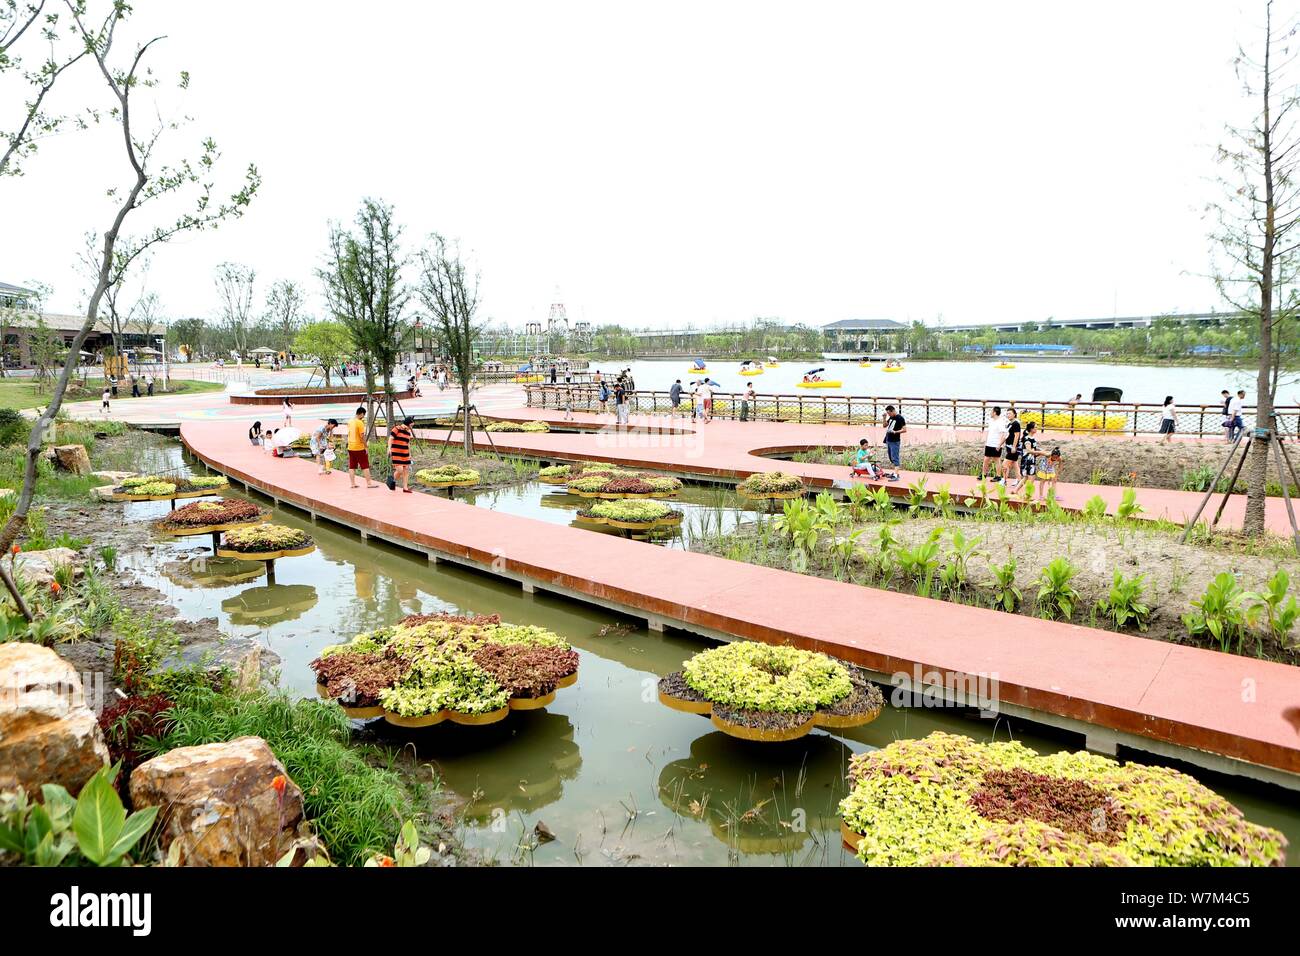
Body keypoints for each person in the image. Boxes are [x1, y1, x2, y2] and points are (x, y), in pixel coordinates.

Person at [347, 406, 376, 489]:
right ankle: (369, 483)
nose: (363, 417)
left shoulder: (350, 421)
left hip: (350, 447)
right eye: (363, 415)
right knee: (365, 465)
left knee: (352, 466)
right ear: (361, 413)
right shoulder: (359, 422)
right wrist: (366, 446)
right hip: (359, 447)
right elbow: (362, 436)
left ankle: (352, 484)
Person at [387, 415, 414, 492]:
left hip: (405, 453)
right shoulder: (397, 429)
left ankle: (405, 488)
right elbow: (391, 438)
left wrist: (409, 454)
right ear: (408, 423)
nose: (411, 427)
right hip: (396, 453)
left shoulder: (408, 432)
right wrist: (389, 448)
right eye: (411, 425)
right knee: (400, 470)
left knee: (406, 469)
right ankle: (393, 480)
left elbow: (408, 443)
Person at [981, 406, 1006, 482]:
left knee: (996, 460)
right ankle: (983, 474)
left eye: (991, 412)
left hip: (996, 444)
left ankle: (998, 476)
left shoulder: (1001, 422)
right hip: (989, 443)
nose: (990, 413)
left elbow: (1003, 433)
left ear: (994, 413)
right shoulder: (991, 421)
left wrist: (1000, 444)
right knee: (986, 459)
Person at [1000, 408, 1022, 483]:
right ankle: (1019, 480)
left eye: (1009, 413)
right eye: (1007, 414)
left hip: (1013, 448)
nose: (1008, 415)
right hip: (1009, 447)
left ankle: (1004, 480)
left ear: (1014, 414)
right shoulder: (1010, 424)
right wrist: (1000, 444)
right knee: (1015, 464)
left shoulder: (1016, 424)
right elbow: (1007, 435)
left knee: (1004, 464)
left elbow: (1017, 435)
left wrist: (1014, 446)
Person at [882, 404, 906, 468]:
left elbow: (904, 430)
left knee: (895, 457)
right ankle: (895, 472)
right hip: (888, 439)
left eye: (889, 413)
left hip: (895, 440)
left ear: (893, 411)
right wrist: (884, 418)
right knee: (891, 457)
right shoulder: (891, 417)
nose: (888, 415)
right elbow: (884, 425)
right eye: (887, 413)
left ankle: (896, 475)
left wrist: (895, 432)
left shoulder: (900, 418)